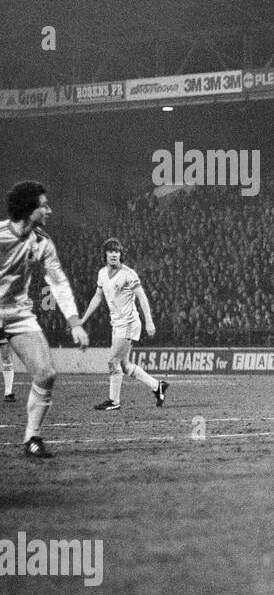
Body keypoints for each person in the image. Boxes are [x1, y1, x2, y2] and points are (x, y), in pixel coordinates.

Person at [0, 182, 90, 458]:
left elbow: (59, 284)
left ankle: (32, 438)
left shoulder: (42, 243)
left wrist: (74, 322)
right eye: (44, 205)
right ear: (29, 209)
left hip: (17, 314)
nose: (49, 210)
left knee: (46, 373)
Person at [79, 238, 168, 410]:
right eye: (111, 251)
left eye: (117, 251)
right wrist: (83, 319)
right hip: (117, 324)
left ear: (121, 254)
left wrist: (149, 321)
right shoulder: (102, 274)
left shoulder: (129, 274)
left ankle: (114, 401)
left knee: (113, 361)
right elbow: (97, 297)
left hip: (129, 323)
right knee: (125, 366)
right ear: (105, 254)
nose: (114, 254)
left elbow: (142, 297)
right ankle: (158, 386)